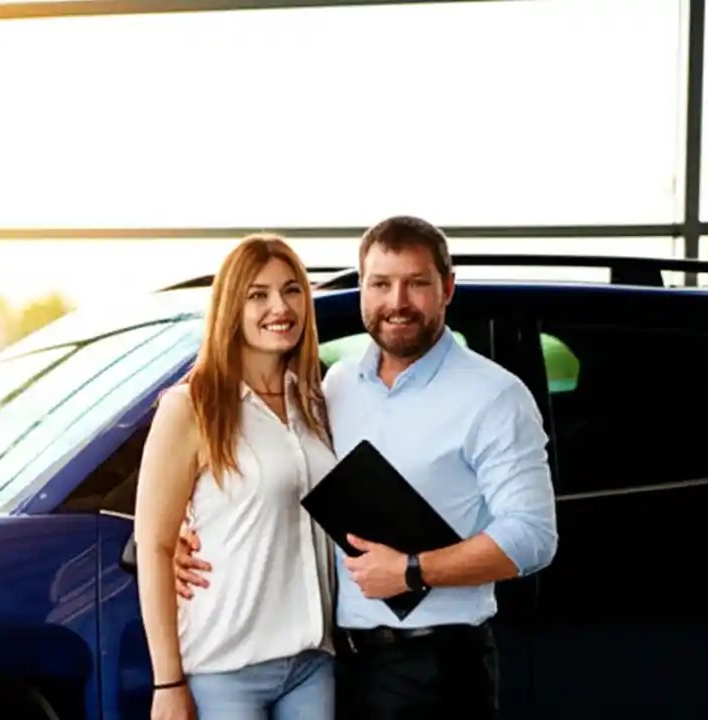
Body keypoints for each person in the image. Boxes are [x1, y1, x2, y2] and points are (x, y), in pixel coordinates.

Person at [173, 215, 559, 720]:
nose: (397, 301)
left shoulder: (494, 396)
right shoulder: (335, 387)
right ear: (362, 290)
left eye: (416, 283)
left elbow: (533, 537)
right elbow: (276, 479)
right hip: (336, 667)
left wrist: (412, 570)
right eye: (381, 284)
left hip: (436, 670)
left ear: (447, 288)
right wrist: (188, 527)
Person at [134, 234, 339, 720]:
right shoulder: (190, 408)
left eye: (292, 291)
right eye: (258, 294)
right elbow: (154, 545)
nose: (280, 307)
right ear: (231, 307)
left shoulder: (316, 402)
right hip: (224, 670)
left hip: (313, 664)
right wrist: (168, 682)